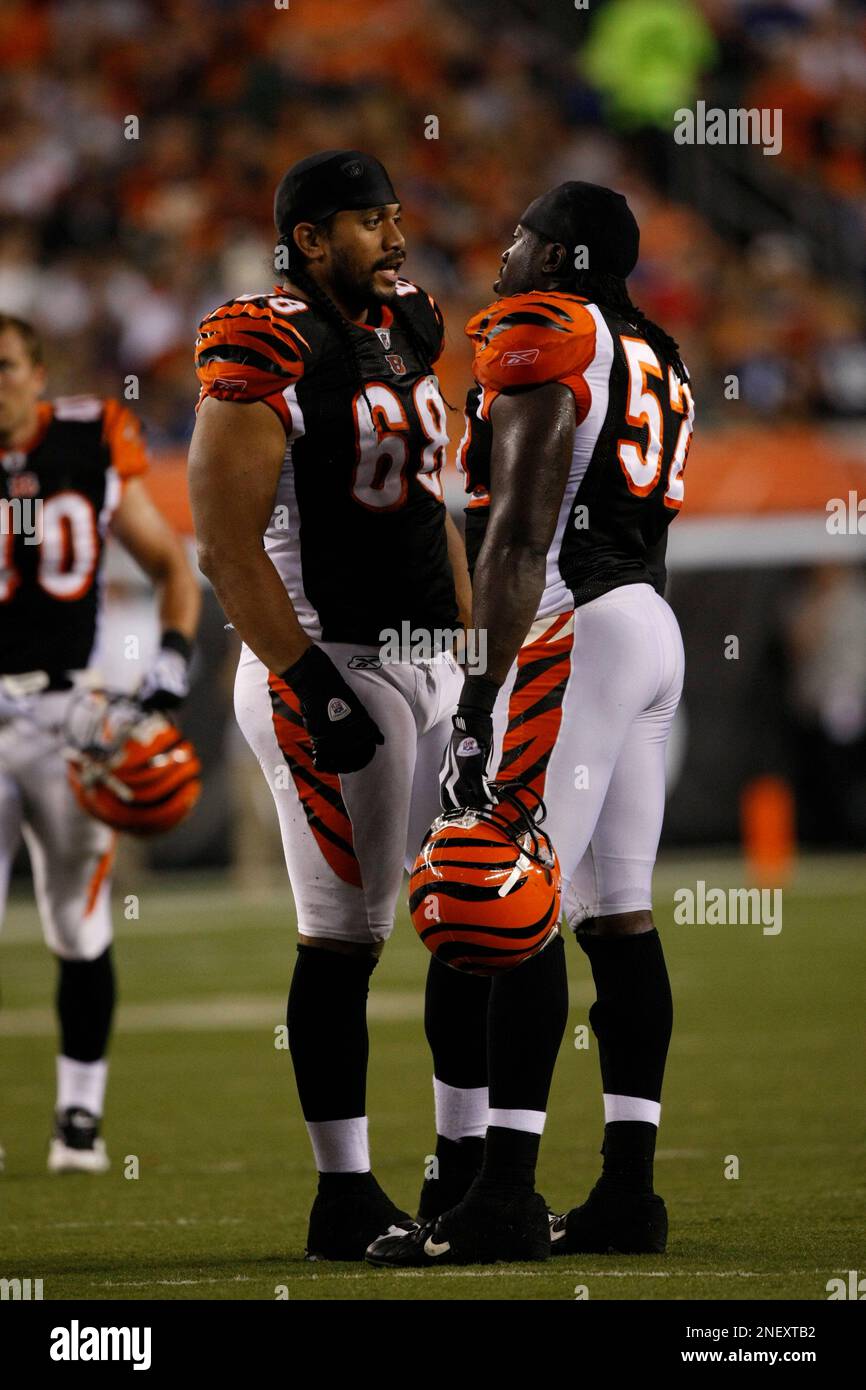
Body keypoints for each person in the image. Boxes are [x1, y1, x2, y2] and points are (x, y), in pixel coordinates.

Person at [368, 181, 694, 1266]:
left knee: (502, 887)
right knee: (620, 916)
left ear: (558, 254)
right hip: (647, 622)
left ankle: (501, 1188)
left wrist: (476, 688)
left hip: (575, 621)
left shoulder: (546, 330)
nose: (500, 255)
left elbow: (514, 537)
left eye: (517, 238)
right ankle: (627, 1193)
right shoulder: (656, 348)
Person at [188, 151, 469, 1260]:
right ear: (308, 237)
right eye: (365, 220)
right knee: (345, 938)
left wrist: (472, 651)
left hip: (427, 659)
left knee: (468, 914)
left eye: (394, 214)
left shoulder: (405, 327)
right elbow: (221, 543)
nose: (392, 237)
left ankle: (462, 1172)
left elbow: (429, 509)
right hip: (332, 658)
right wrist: (312, 687)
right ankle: (343, 1195)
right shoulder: (266, 339)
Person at [0, 312, 200, 1172]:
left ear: (37, 371)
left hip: (62, 718)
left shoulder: (91, 435)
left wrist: (171, 664)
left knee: (76, 929)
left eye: (3, 365)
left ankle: (79, 1119)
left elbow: (168, 564)